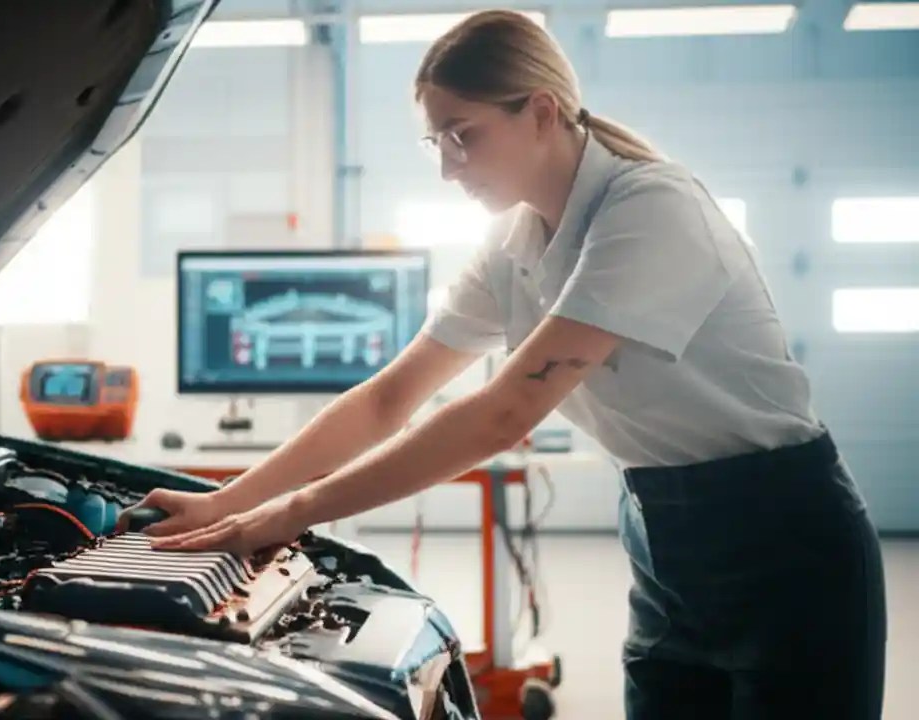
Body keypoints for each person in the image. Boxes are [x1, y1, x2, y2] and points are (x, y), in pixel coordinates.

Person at [119, 10, 887, 719]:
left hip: (785, 542)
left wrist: (282, 519)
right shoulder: (515, 243)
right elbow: (392, 397)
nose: (449, 167)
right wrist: (227, 503)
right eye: (436, 142)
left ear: (542, 111)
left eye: (464, 134)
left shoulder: (650, 208)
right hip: (664, 537)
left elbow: (504, 413)